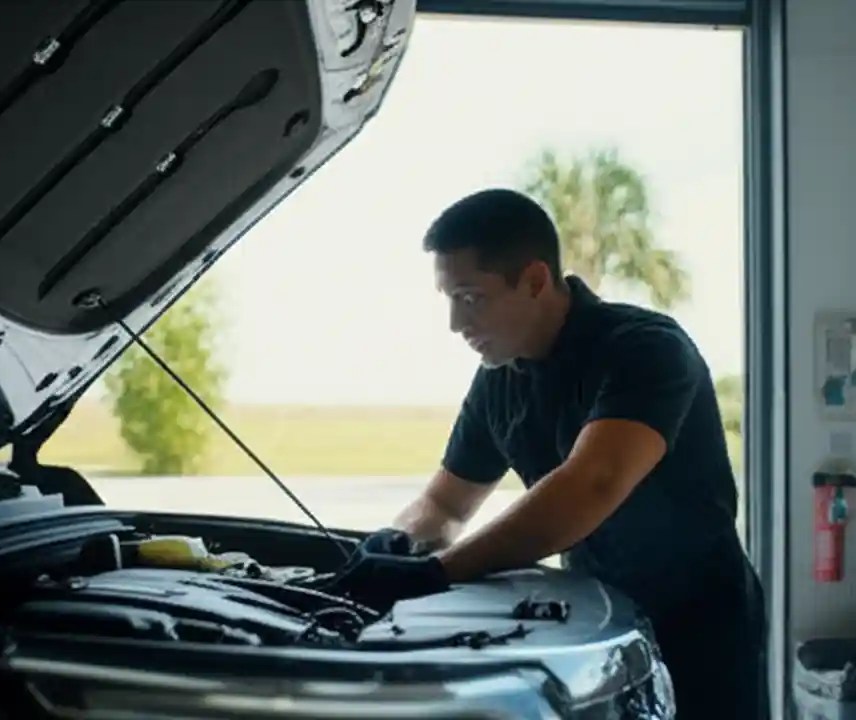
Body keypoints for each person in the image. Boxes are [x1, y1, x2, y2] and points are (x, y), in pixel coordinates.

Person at [328, 188, 767, 719]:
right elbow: (445, 507)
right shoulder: (500, 380)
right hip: (596, 625)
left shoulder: (644, 350)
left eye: (470, 298)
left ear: (535, 280)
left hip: (701, 628)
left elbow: (592, 484)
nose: (454, 323)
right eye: (448, 299)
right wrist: (399, 542)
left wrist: (438, 574)